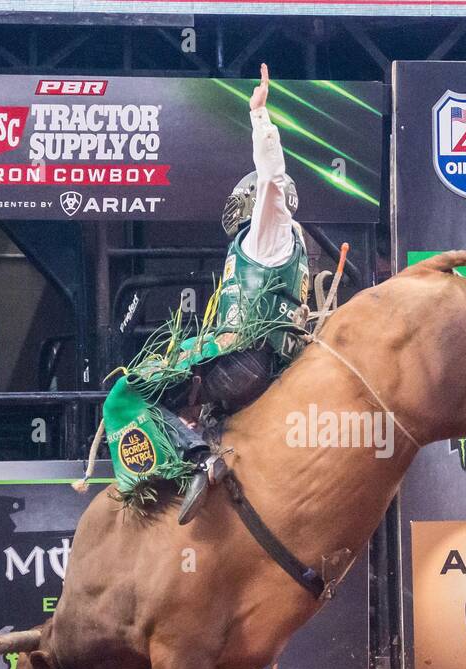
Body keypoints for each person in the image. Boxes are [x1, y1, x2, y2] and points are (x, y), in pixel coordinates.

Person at [96, 63, 311, 522]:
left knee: (126, 391)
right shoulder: (291, 252)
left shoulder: (268, 235)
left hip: (242, 358)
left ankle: (194, 462)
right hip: (267, 363)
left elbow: (272, 175)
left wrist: (259, 117)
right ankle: (201, 446)